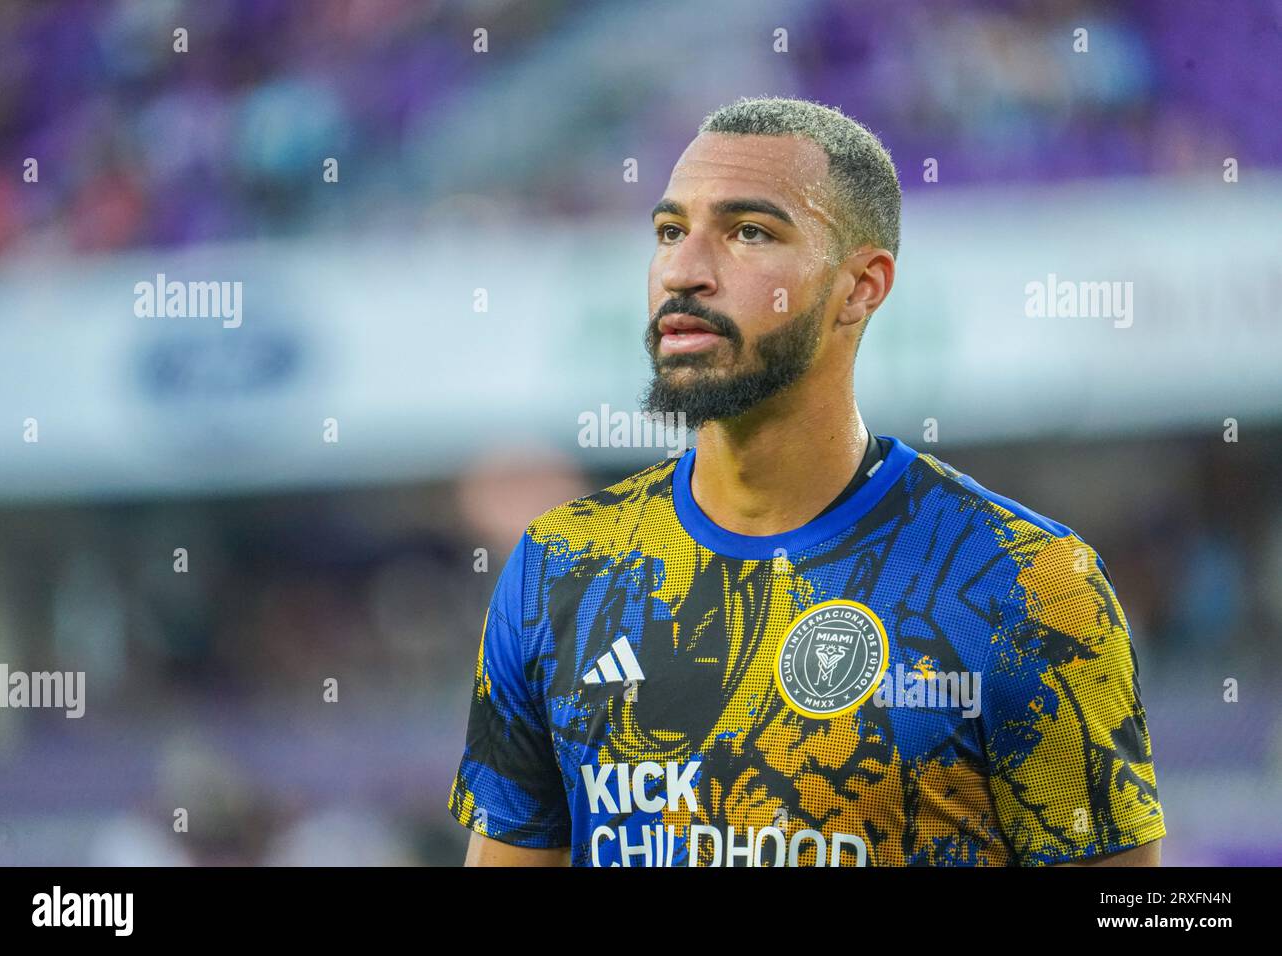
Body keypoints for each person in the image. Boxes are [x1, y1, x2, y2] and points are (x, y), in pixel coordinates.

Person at [447, 96, 1165, 867]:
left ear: (861, 285)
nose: (685, 271)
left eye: (749, 232)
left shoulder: (1028, 584)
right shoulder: (560, 568)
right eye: (669, 232)